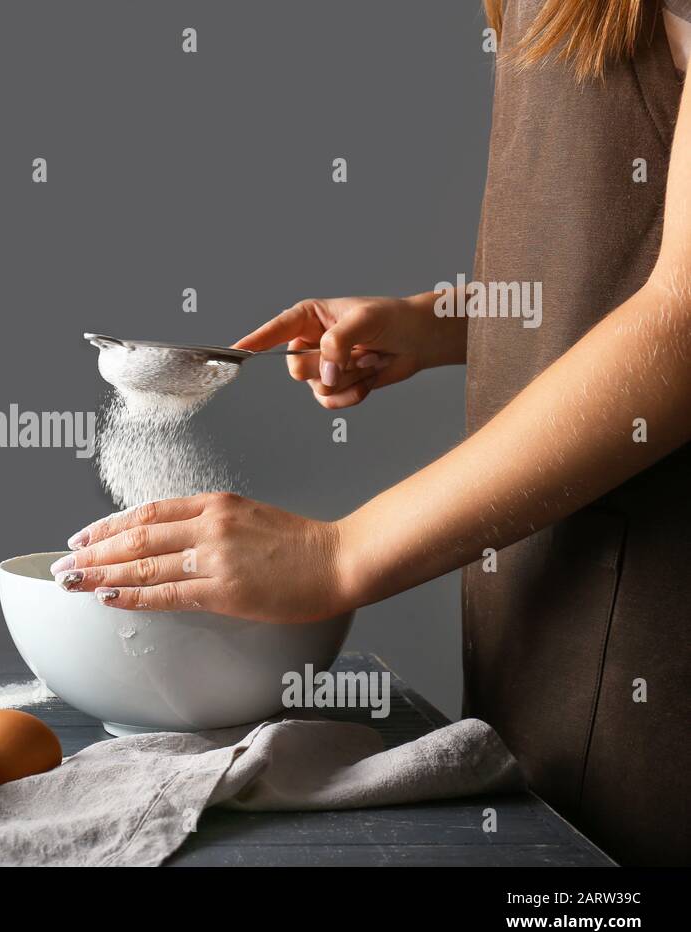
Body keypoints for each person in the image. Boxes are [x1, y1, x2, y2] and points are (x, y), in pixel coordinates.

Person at [50, 0, 691, 866]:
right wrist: (448, 321)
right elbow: (618, 230)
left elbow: (681, 325)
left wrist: (338, 555)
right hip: (546, 591)